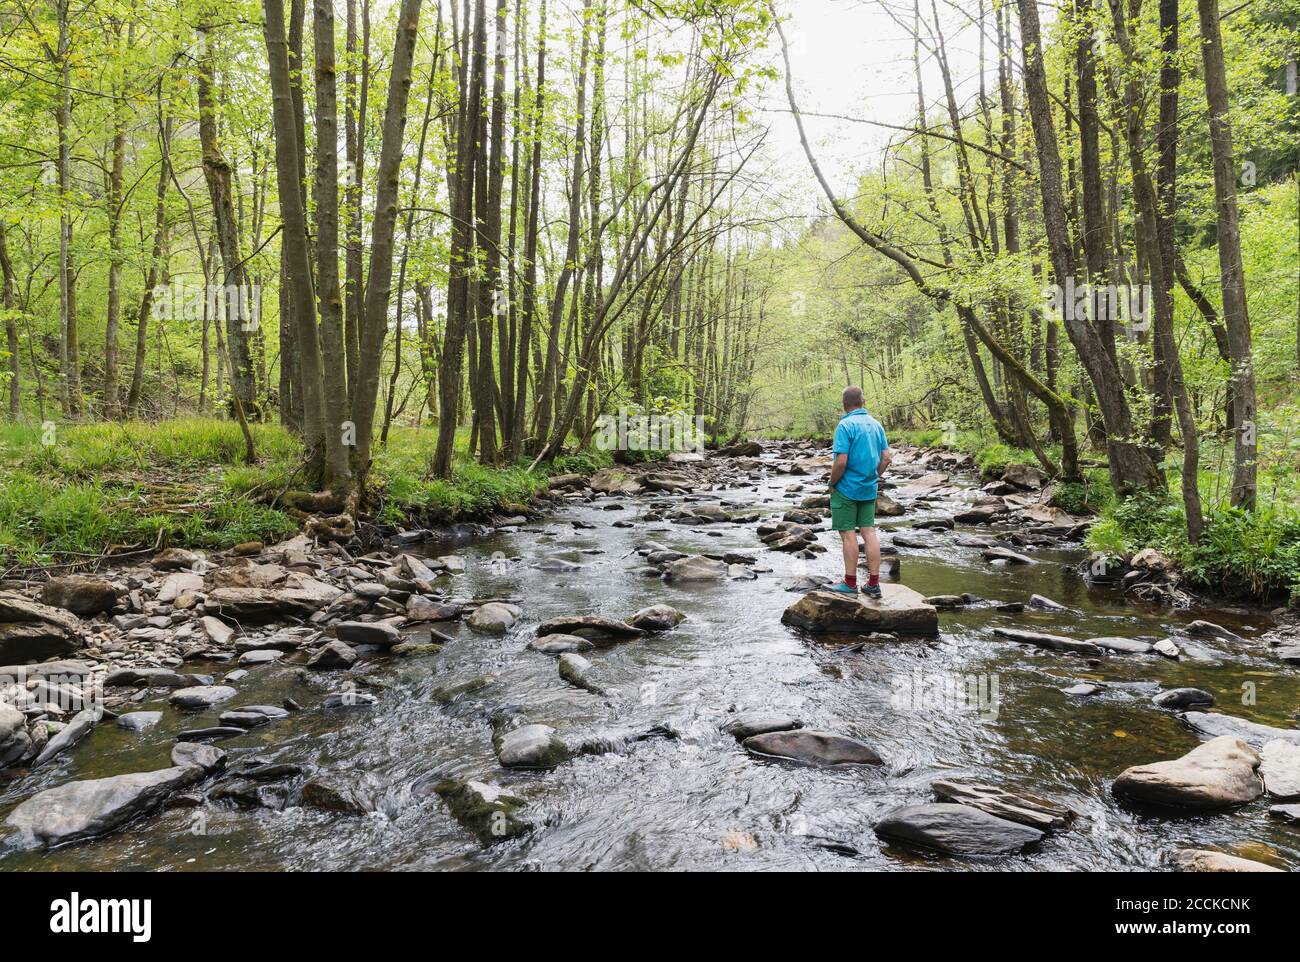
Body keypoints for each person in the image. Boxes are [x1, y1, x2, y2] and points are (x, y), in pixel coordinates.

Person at [827, 386, 893, 598]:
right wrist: (876, 476)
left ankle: (849, 583)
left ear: (844, 404)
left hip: (846, 488)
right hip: (868, 487)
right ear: (863, 401)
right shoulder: (876, 424)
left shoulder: (845, 425)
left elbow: (841, 461)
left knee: (848, 534)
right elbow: (887, 458)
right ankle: (873, 584)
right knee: (869, 531)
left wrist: (832, 483)